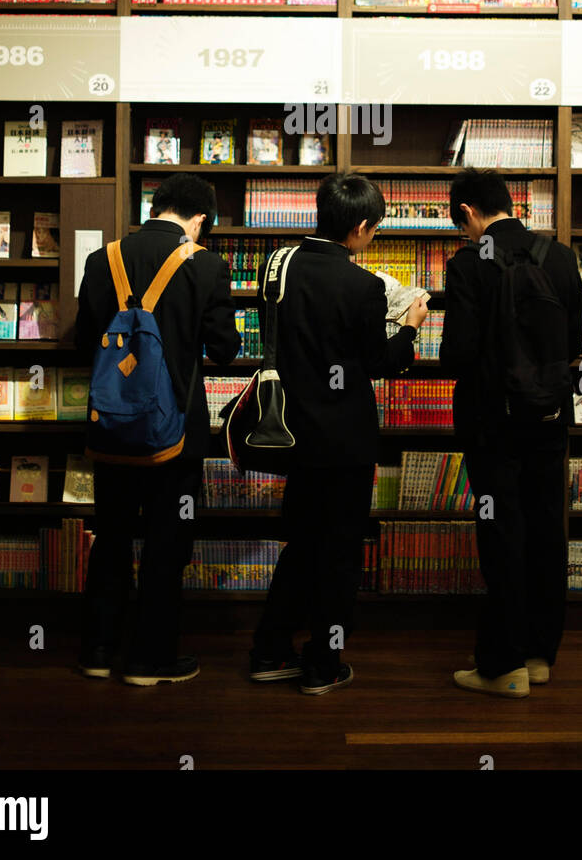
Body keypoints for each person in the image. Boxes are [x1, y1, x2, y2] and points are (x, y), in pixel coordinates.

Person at [250, 173, 428, 695]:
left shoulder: (278, 266)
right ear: (360, 227)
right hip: (346, 441)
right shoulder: (364, 286)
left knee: (301, 545)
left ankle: (270, 651)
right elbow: (379, 364)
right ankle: (323, 664)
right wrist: (412, 325)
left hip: (290, 433)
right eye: (373, 230)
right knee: (341, 553)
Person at [74, 172, 240, 686]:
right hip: (176, 435)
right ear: (199, 220)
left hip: (112, 429)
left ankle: (99, 651)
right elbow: (224, 348)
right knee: (168, 544)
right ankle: (149, 660)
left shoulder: (103, 259)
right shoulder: (208, 265)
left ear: (156, 205)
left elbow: (85, 342)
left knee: (112, 537)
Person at [440, 168, 582, 699]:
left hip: (491, 426)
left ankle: (502, 667)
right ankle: (539, 654)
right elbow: (572, 342)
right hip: (549, 419)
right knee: (547, 530)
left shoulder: (465, 265)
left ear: (467, 214)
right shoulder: (560, 257)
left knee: (503, 536)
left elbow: (456, 354)